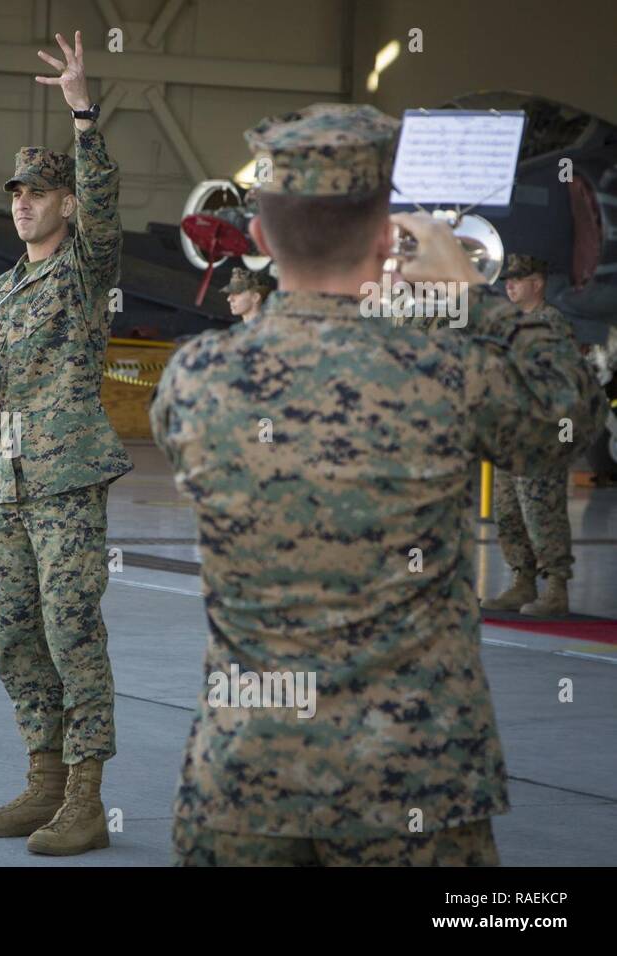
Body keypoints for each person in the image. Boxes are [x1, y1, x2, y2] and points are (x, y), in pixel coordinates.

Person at [149, 103, 605, 866]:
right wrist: (470, 298)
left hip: (244, 782)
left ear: (259, 240)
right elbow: (568, 415)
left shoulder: (194, 381)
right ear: (383, 237)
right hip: (414, 782)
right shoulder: (445, 372)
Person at [0, 30, 130, 856]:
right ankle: (43, 783)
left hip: (68, 475)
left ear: (66, 204)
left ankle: (85, 799)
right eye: (16, 192)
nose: (22, 202)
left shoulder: (86, 268)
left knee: (70, 629)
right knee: (16, 633)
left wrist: (82, 113)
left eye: (39, 193)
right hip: (7, 484)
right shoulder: (1, 290)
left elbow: (107, 198)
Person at [482, 254, 578, 616]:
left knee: (542, 510)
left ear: (537, 283)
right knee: (508, 511)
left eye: (518, 279)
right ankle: (522, 581)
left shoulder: (551, 323)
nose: (509, 285)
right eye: (508, 279)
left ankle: (555, 587)